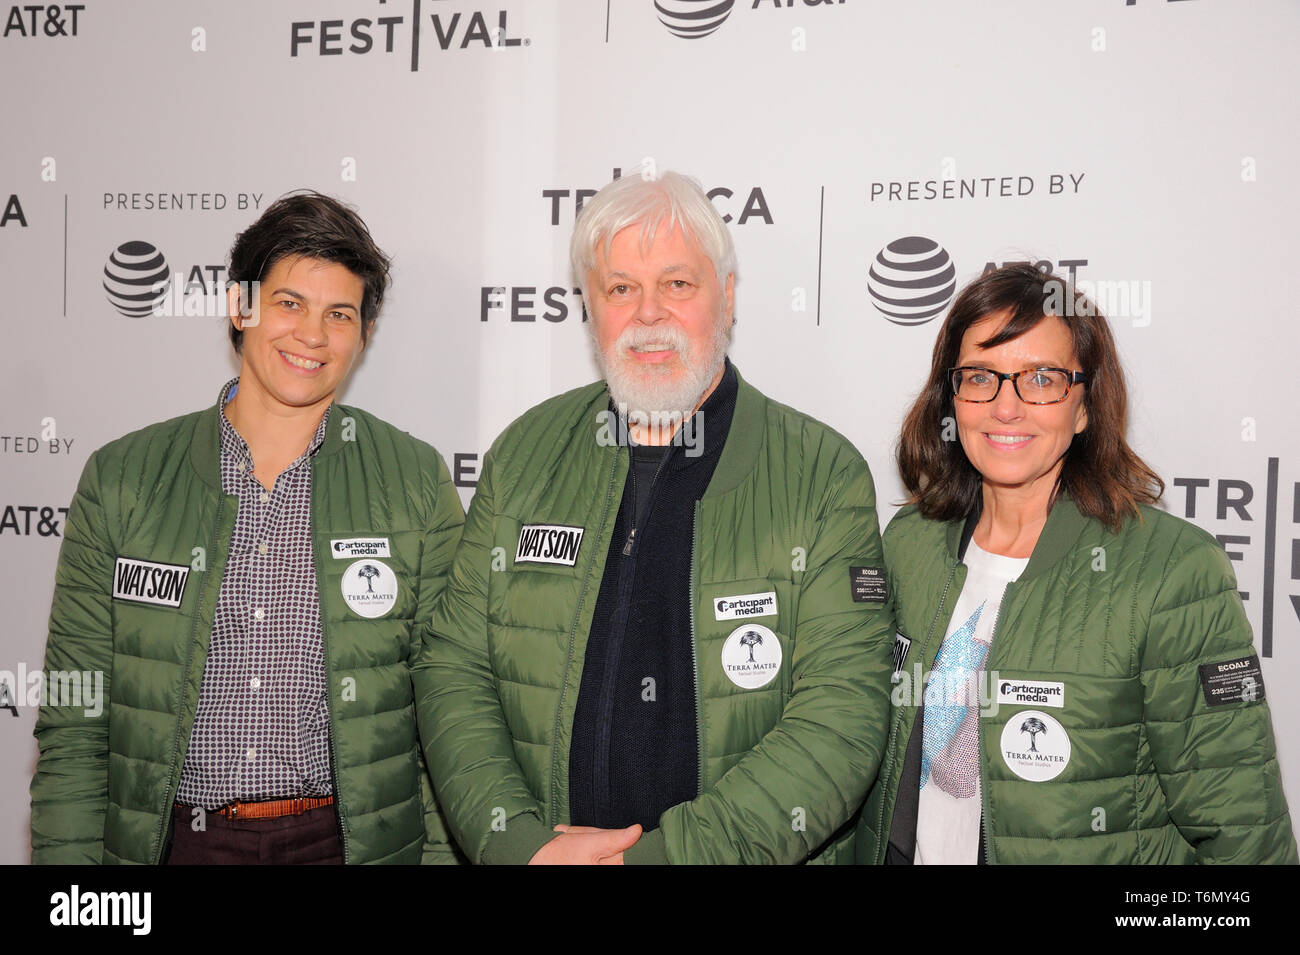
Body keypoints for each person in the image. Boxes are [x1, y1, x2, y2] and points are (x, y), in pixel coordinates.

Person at [414, 170, 894, 864]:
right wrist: (519, 846)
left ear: (726, 297)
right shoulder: (525, 455)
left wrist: (662, 860)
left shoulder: (820, 475)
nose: (647, 315)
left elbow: (840, 720)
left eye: (676, 284)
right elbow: (454, 666)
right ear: (590, 306)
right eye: (620, 288)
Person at [30, 192, 466, 864]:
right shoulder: (124, 479)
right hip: (175, 846)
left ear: (363, 334)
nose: (312, 335)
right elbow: (75, 719)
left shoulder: (413, 484)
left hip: (344, 846)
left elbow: (445, 719)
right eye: (289, 303)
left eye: (339, 314)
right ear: (241, 306)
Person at [857, 263, 1297, 864]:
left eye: (1041, 378)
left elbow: (1245, 842)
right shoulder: (909, 544)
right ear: (951, 398)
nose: (1006, 407)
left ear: (1085, 406)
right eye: (981, 376)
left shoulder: (1173, 572)